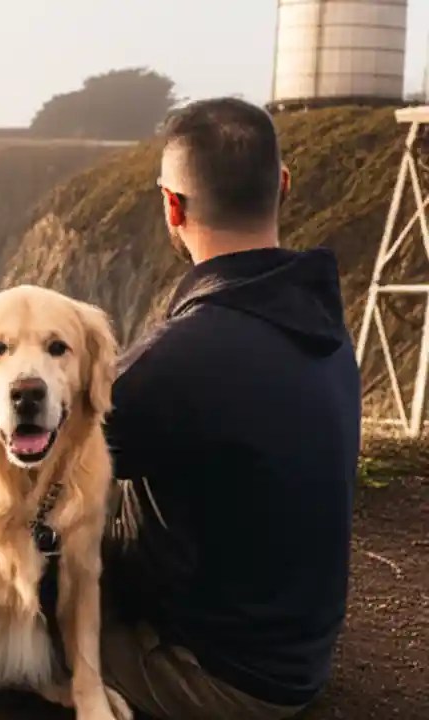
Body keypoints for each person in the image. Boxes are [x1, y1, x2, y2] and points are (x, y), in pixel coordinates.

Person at [98, 97, 361, 719]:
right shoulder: (321, 320)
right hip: (296, 658)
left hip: (219, 680)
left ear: (171, 205)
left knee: (18, 619)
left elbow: (39, 453)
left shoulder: (183, 354)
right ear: (284, 185)